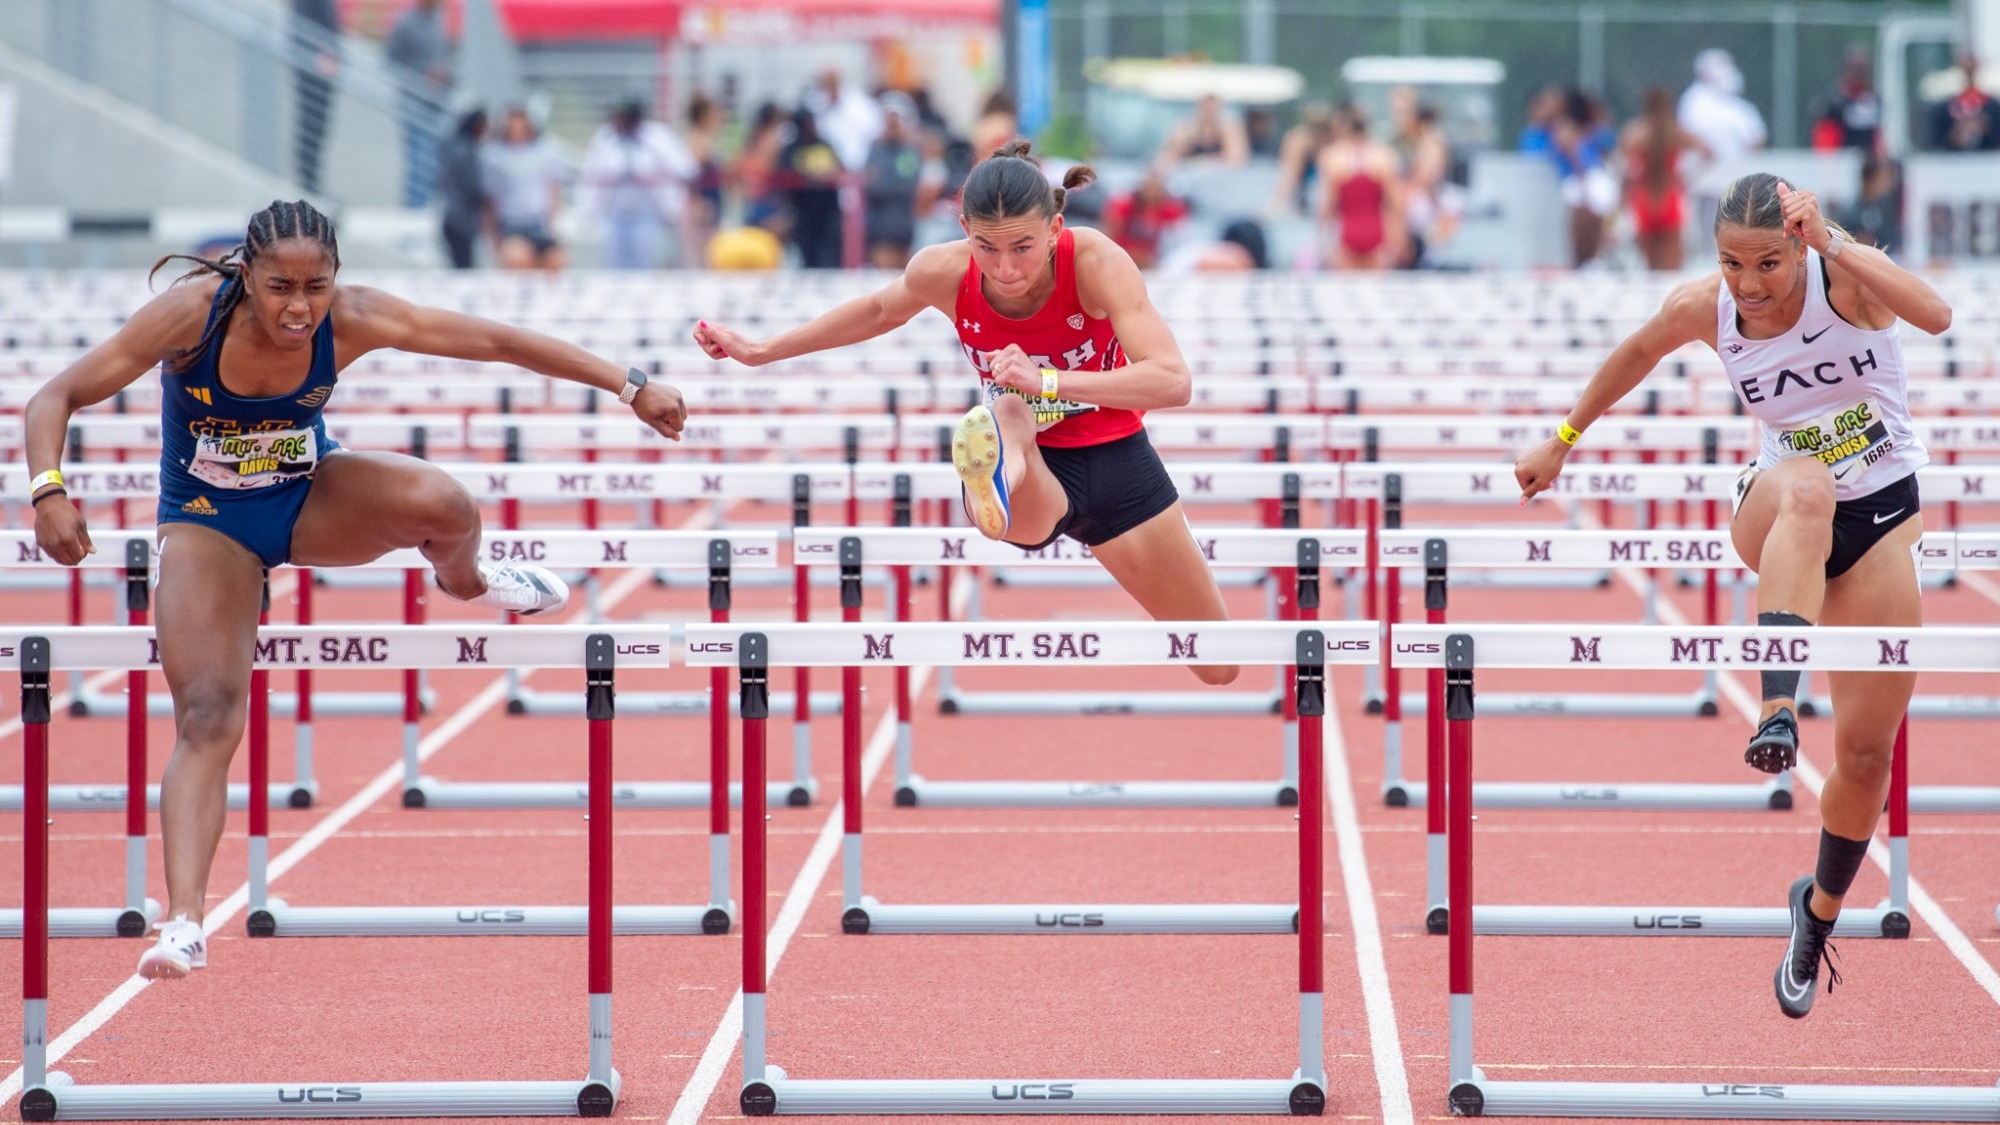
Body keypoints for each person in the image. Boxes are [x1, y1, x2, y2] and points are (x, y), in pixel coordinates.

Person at [23, 199, 689, 979]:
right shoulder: (190, 317)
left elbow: (499, 341)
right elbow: (53, 397)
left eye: (317, 286)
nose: (300, 308)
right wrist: (48, 490)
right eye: (280, 288)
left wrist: (630, 384)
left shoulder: (355, 317)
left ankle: (470, 579)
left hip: (310, 498)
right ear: (246, 273)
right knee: (208, 711)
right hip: (210, 521)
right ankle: (184, 922)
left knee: (447, 503)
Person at [1514, 173, 1951, 1019]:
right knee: (1809, 489)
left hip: (1884, 514)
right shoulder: (1704, 306)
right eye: (1730, 263)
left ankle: (1816, 914)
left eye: (1766, 265)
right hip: (1780, 502)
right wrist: (1562, 439)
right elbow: (1638, 352)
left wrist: (1834, 245)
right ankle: (1776, 710)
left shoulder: (1847, 279)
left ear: (1798, 246)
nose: (1747, 285)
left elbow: (1934, 315)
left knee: (1867, 759)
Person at [692, 139, 1238, 686]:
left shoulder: (1094, 261)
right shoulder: (942, 271)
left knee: (1218, 663)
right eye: (986, 247)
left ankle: (1001, 463)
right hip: (1030, 475)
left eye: (1023, 248)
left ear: (1055, 228)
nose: (1004, 268)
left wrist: (1046, 379)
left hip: (1118, 463)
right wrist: (763, 351)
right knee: (1009, 411)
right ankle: (994, 477)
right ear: (963, 228)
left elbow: (1173, 380)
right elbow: (878, 311)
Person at [578, 99, 696, 270]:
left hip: (648, 215)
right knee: (613, 269)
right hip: (614, 215)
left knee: (645, 269)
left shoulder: (656, 137)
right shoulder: (605, 138)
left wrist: (653, 179)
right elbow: (591, 175)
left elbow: (685, 170)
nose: (619, 123)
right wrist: (587, 211)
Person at [1620, 86, 1709, 271]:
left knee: (1652, 269)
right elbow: (1707, 152)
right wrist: (1687, 177)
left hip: (1644, 198)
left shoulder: (1635, 132)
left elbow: (1625, 170)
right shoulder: (1675, 132)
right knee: (1673, 270)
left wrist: (1622, 199)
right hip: (1670, 196)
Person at [481, 105, 570, 271]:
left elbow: (553, 191)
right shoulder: (494, 156)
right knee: (519, 259)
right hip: (512, 225)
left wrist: (553, 226)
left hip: (539, 224)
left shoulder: (546, 152)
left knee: (556, 260)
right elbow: (491, 199)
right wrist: (492, 236)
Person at [1315, 105, 1403, 271]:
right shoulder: (1384, 156)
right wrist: (1398, 240)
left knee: (1345, 293)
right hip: (1376, 229)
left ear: (1344, 127)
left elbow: (1327, 205)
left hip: (1347, 230)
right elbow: (1395, 204)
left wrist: (1322, 240)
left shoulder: (1333, 157)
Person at [386, 0, 453, 207]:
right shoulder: (406, 23)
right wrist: (422, 74)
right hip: (415, 105)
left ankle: (425, 214)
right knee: (419, 165)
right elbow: (390, 61)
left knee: (434, 166)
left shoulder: (438, 21)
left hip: (437, 104)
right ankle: (413, 217)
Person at [290, 0, 340, 194]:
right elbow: (301, 27)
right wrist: (318, 56)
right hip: (312, 70)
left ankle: (311, 181)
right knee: (310, 125)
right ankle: (307, 182)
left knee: (318, 128)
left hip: (324, 72)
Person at [435, 107, 488, 269]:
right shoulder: (466, 150)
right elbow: (471, 186)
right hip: (461, 219)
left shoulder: (453, 146)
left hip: (453, 217)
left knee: (460, 265)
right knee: (464, 269)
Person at [1812, 46, 1882, 155]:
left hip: (1870, 163)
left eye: (1862, 69)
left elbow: (1879, 138)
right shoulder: (1834, 103)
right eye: (1855, 68)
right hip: (1841, 163)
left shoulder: (1875, 101)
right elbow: (1825, 144)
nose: (1858, 74)